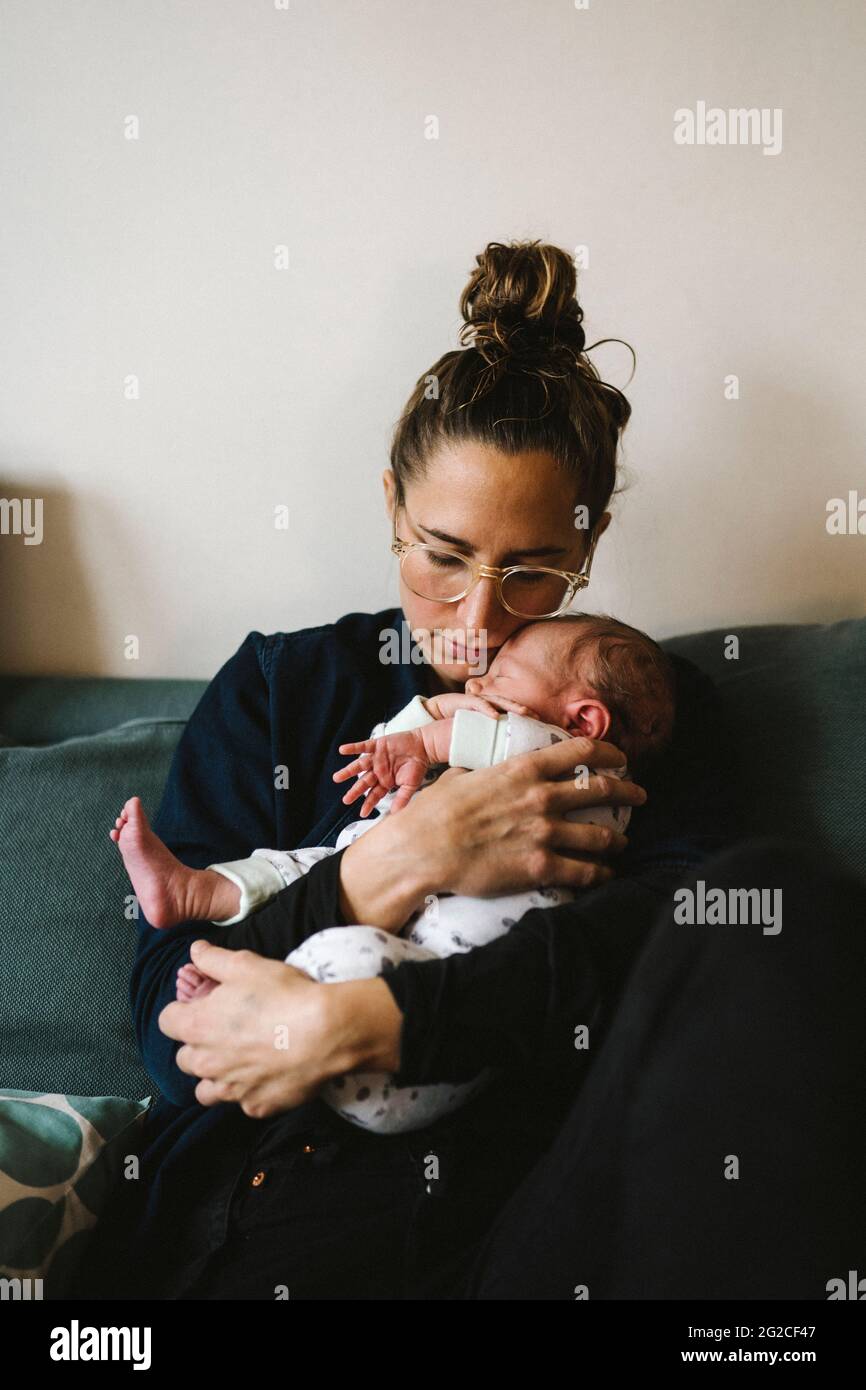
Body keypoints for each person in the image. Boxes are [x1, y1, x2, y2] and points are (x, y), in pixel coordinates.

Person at [70, 238, 865, 1302]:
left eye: (532, 571)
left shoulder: (633, 710)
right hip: (259, 1230)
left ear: (588, 541)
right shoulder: (276, 691)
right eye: (440, 557)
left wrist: (376, 1024)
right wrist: (404, 855)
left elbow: (689, 947)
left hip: (523, 1233)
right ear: (391, 505)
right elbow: (176, 1043)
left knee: (796, 905)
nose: (477, 627)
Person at [106, 614, 676, 1134]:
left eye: (500, 679)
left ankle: (240, 990)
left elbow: (503, 741)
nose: (474, 685)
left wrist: (427, 729)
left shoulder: (590, 769)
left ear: (585, 720)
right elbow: (167, 1049)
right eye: (445, 555)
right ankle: (199, 889)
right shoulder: (278, 679)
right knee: (300, 869)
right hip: (396, 974)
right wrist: (408, 819)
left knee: (341, 940)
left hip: (394, 1050)